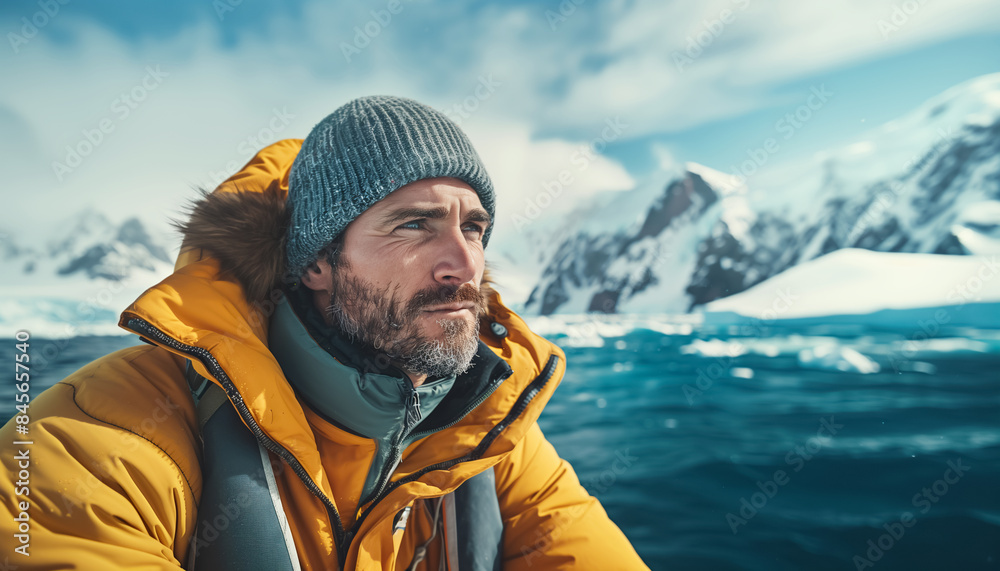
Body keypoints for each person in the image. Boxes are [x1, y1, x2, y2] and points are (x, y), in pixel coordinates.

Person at [0, 96, 649, 569]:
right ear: (315, 262)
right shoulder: (93, 443)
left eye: (474, 227)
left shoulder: (492, 435)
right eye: (414, 224)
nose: (464, 262)